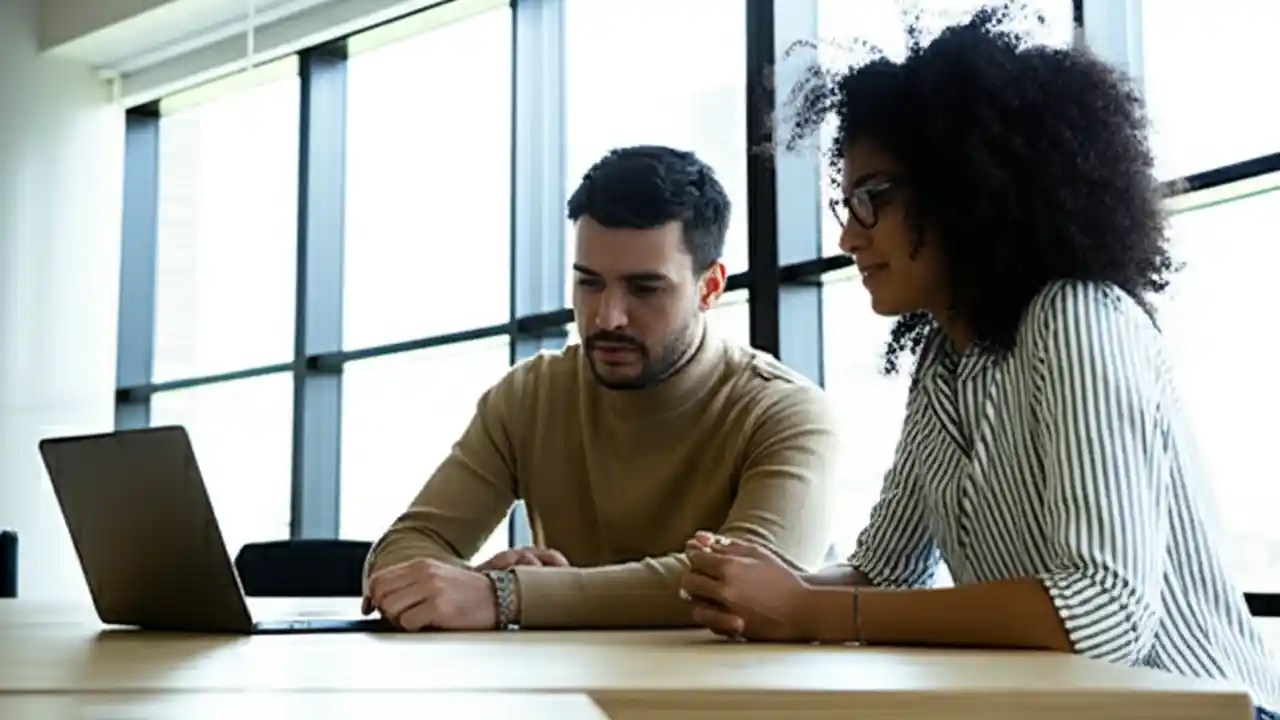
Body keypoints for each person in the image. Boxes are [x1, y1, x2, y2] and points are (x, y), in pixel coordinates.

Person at [678, 6, 1280, 717]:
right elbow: (886, 572)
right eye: (847, 203)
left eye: (872, 199)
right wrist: (765, 586)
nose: (847, 236)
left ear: (966, 187)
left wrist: (813, 613)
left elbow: (1102, 610)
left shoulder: (1077, 318)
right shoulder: (943, 361)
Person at [362, 145, 838, 632]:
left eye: (645, 289)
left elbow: (745, 587)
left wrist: (511, 596)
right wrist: (461, 586)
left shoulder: (785, 412)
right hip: (567, 697)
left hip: (735, 701)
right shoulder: (531, 396)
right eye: (589, 284)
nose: (607, 317)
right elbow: (405, 548)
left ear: (710, 287)